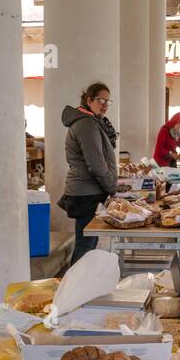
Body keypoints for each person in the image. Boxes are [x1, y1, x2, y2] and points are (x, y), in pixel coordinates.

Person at [59, 82, 118, 266]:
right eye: (101, 100)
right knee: (85, 245)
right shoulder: (86, 123)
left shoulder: (92, 122)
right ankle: (73, 290)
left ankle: (79, 287)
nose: (105, 105)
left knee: (88, 243)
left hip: (89, 190)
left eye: (108, 101)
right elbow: (96, 164)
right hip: (86, 192)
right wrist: (112, 187)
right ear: (89, 99)